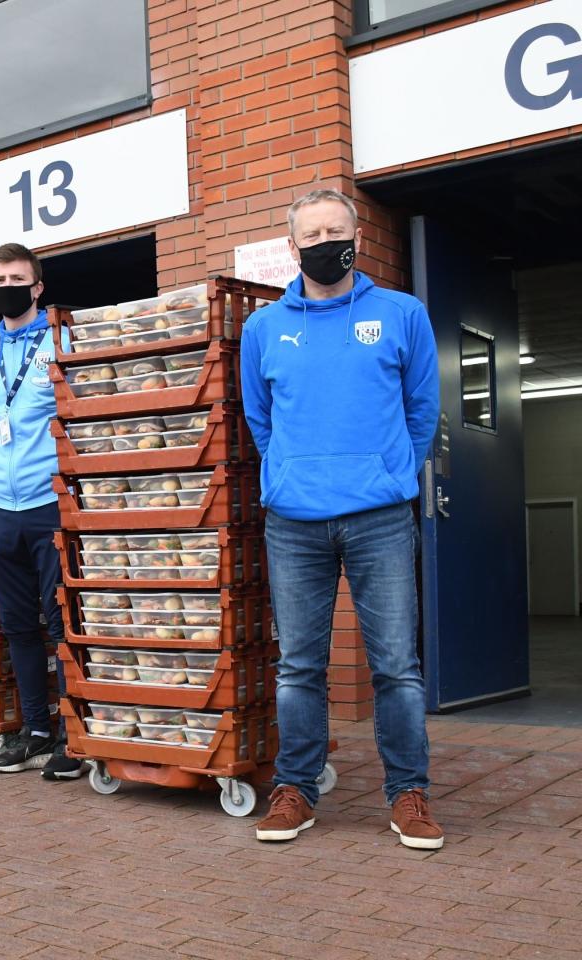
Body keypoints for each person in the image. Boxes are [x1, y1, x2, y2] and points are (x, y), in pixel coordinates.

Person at [241, 188, 443, 849]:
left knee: (396, 667)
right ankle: (295, 789)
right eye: (313, 233)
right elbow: (259, 419)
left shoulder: (401, 314)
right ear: (292, 247)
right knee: (299, 665)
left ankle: (408, 793)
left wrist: (388, 475)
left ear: (355, 236)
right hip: (294, 522)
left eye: (337, 229)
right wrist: (294, 474)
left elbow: (421, 410)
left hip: (380, 517)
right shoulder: (264, 329)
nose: (326, 241)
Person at [0, 243, 81, 780]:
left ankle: (73, 734)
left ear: (37, 287)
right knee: (17, 626)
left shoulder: (57, 341)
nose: (7, 285)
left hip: (49, 503)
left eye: (18, 278)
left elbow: (76, 415)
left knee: (65, 624)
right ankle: (34, 730)